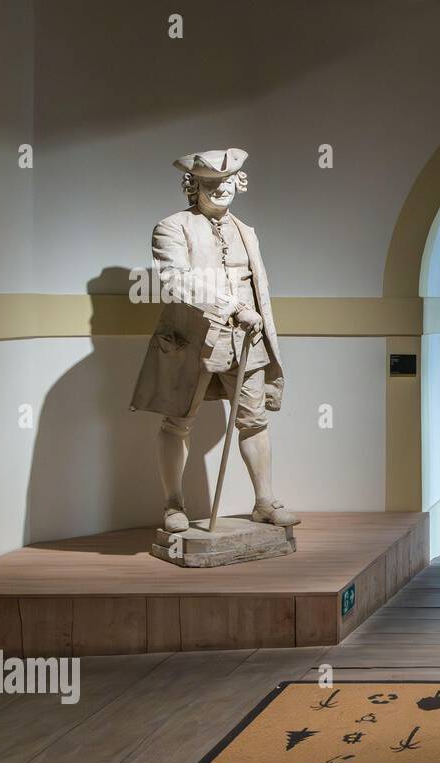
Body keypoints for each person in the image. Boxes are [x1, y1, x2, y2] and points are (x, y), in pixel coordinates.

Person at [130, 147, 299, 533]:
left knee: (254, 420)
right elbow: (176, 280)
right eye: (211, 182)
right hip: (193, 340)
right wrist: (232, 307)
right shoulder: (171, 227)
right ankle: (174, 504)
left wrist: (251, 319)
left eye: (227, 181)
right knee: (178, 422)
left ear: (238, 182)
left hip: (247, 339)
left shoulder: (247, 231)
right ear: (194, 184)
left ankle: (264, 502)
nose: (221, 189)